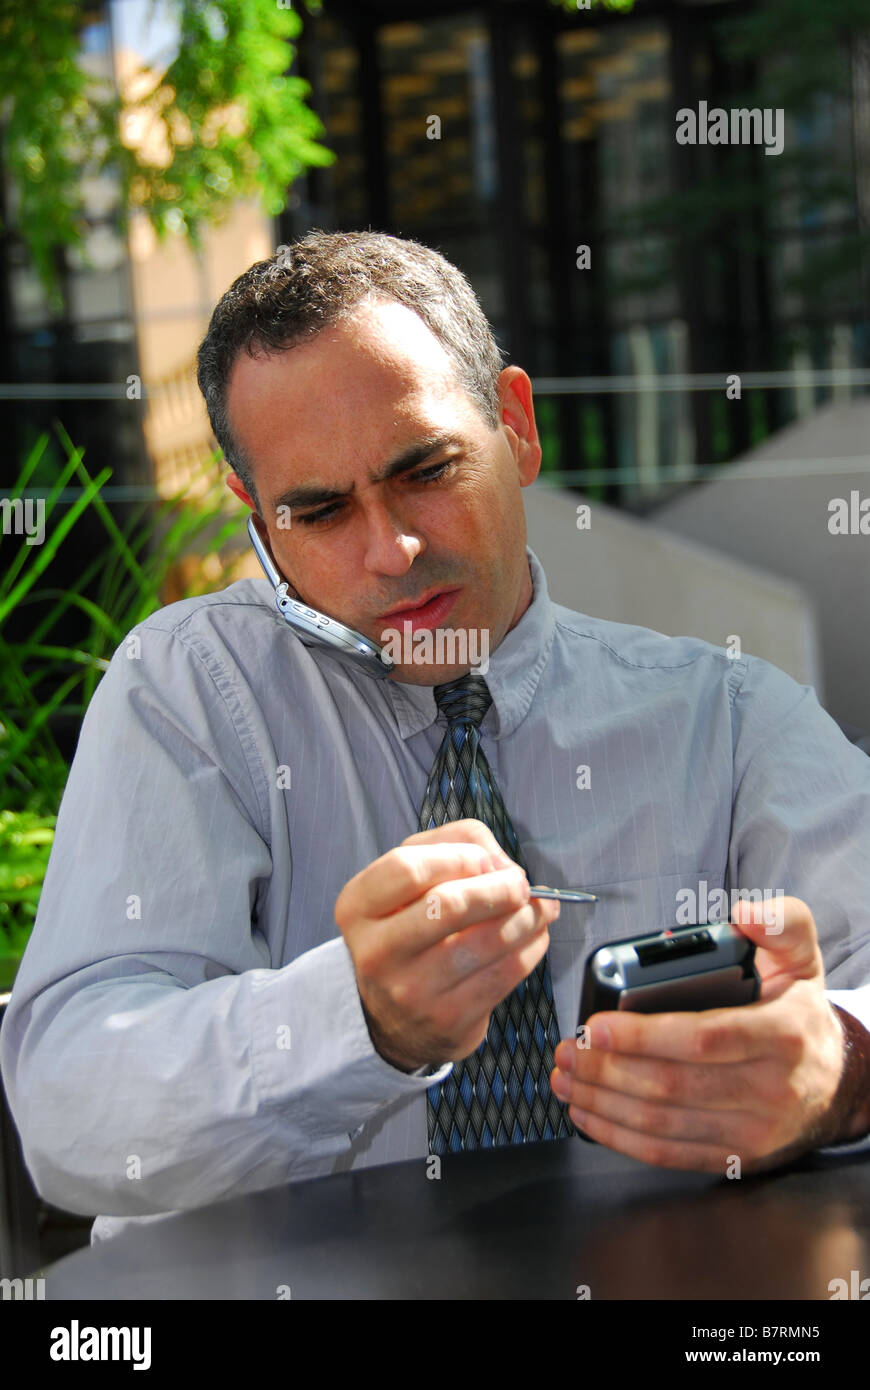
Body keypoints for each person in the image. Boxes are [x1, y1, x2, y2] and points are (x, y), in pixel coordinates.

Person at [2, 231, 869, 1252]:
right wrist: (357, 1019)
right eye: (318, 511)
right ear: (258, 521)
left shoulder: (726, 717)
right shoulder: (189, 691)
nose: (392, 551)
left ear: (516, 424)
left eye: (425, 469)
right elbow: (71, 1115)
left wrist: (840, 1068)